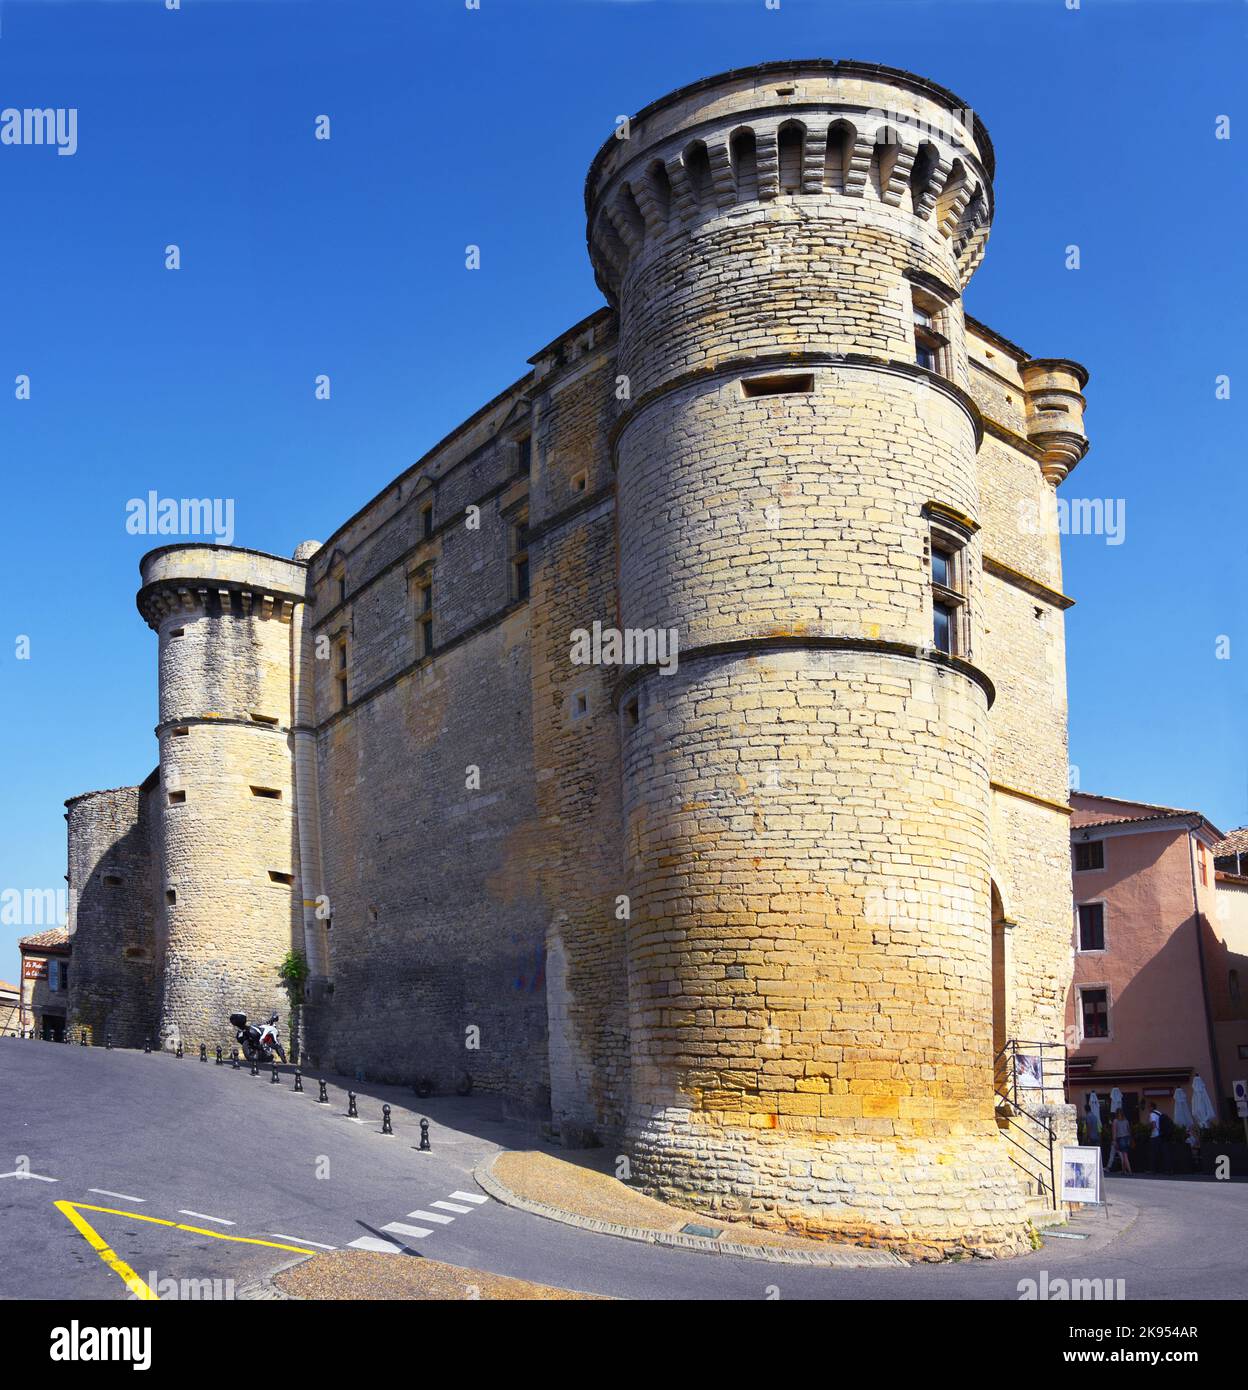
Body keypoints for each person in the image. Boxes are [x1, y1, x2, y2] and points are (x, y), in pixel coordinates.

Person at [1084, 1095, 1103, 1166]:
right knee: (1097, 1151)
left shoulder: (1088, 1117)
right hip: (1096, 1136)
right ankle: (1097, 1164)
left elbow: (1088, 1127)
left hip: (1091, 1136)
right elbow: (1098, 1127)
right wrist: (1099, 1136)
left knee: (1090, 1152)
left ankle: (1091, 1165)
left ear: (1085, 1110)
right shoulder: (1095, 1117)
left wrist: (1087, 1136)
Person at [1148, 1104, 1164, 1173]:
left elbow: (1153, 1125)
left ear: (1151, 1107)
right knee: (1159, 1153)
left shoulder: (1152, 1114)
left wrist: (1149, 1130)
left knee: (1153, 1153)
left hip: (1154, 1135)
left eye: (1149, 1107)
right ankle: (1161, 1168)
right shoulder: (1159, 1113)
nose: (1148, 1108)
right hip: (1161, 1135)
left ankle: (1153, 1170)